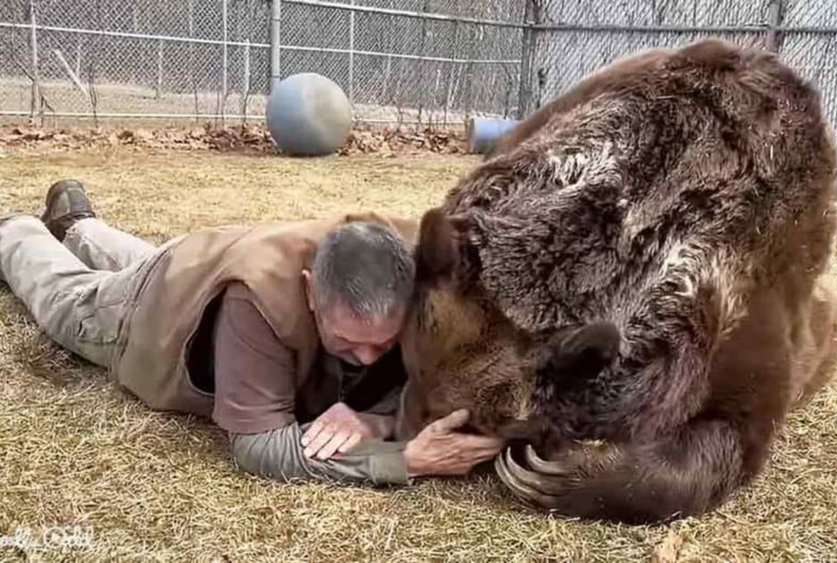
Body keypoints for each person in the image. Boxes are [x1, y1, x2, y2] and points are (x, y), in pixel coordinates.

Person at [0, 179, 504, 486]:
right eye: (349, 342)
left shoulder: (421, 266)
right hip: (146, 309)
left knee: (148, 260)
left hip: (199, 257)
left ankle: (80, 225)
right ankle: (17, 229)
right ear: (310, 293)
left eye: (386, 342)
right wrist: (404, 460)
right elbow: (260, 447)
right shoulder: (257, 302)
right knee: (65, 294)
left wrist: (377, 422)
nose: (370, 360)